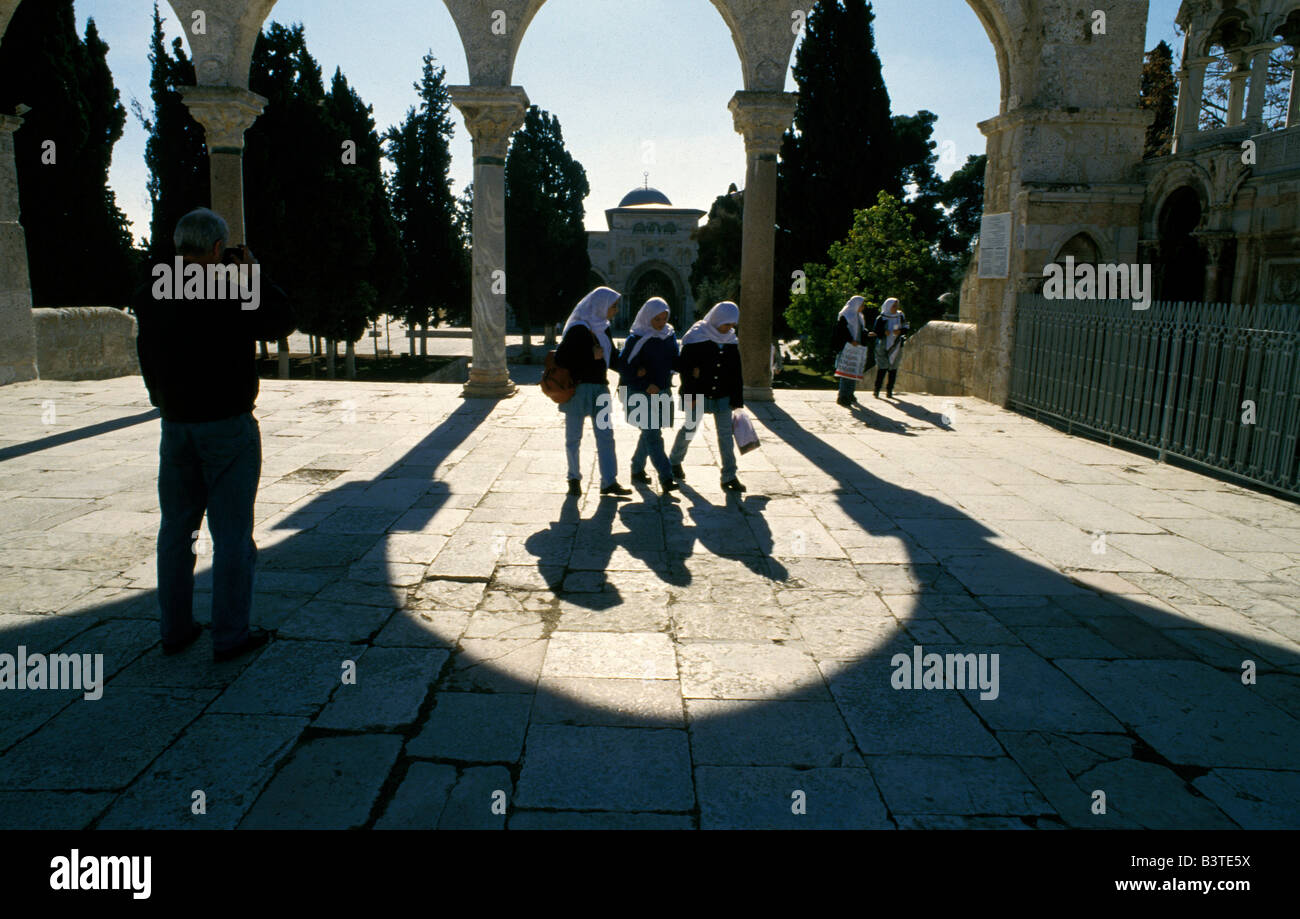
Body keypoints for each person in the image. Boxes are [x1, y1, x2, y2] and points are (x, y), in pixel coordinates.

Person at [133, 207, 296, 662]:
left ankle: (175, 630)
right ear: (219, 248)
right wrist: (253, 275)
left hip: (177, 425)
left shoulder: (152, 291)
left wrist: (159, 397)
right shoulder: (232, 288)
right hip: (226, 425)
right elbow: (282, 321)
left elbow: (146, 349)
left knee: (177, 531)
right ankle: (229, 636)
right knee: (231, 537)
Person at [555, 287, 631, 497]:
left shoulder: (603, 328)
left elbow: (612, 359)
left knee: (606, 436)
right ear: (601, 305)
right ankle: (573, 478)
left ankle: (609, 482)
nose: (615, 310)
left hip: (600, 388)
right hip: (579, 389)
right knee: (574, 437)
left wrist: (635, 368)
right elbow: (561, 359)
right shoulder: (579, 328)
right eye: (613, 306)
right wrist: (589, 355)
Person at [669, 301, 747, 493]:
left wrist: (737, 400)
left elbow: (736, 372)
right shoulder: (696, 337)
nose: (729, 328)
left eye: (732, 325)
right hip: (697, 394)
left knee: (725, 436)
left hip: (722, 395)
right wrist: (691, 393)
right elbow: (684, 369)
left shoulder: (730, 341)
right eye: (726, 324)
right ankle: (674, 462)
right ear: (717, 319)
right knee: (689, 429)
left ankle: (729, 475)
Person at [618, 297, 680, 496]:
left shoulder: (669, 335)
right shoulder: (637, 338)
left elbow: (674, 362)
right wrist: (644, 382)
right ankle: (666, 476)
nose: (661, 323)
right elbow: (625, 368)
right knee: (654, 435)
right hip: (640, 393)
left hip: (661, 391)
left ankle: (637, 469)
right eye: (657, 319)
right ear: (647, 317)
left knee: (649, 433)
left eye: (664, 318)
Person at [831, 295, 871, 407]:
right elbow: (841, 331)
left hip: (856, 348)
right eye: (862, 305)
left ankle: (850, 394)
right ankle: (842, 396)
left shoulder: (860, 317)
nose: (863, 307)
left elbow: (861, 330)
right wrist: (850, 340)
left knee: (853, 372)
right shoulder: (845, 316)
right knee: (846, 373)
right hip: (847, 348)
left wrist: (867, 334)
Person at [872, 297, 911, 399]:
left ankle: (889, 390)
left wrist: (900, 332)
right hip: (883, 345)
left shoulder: (900, 315)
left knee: (893, 368)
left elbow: (906, 327)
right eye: (894, 306)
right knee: (882, 368)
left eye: (896, 305)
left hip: (896, 345)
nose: (895, 308)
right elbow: (876, 330)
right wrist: (884, 332)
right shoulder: (882, 317)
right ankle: (877, 389)